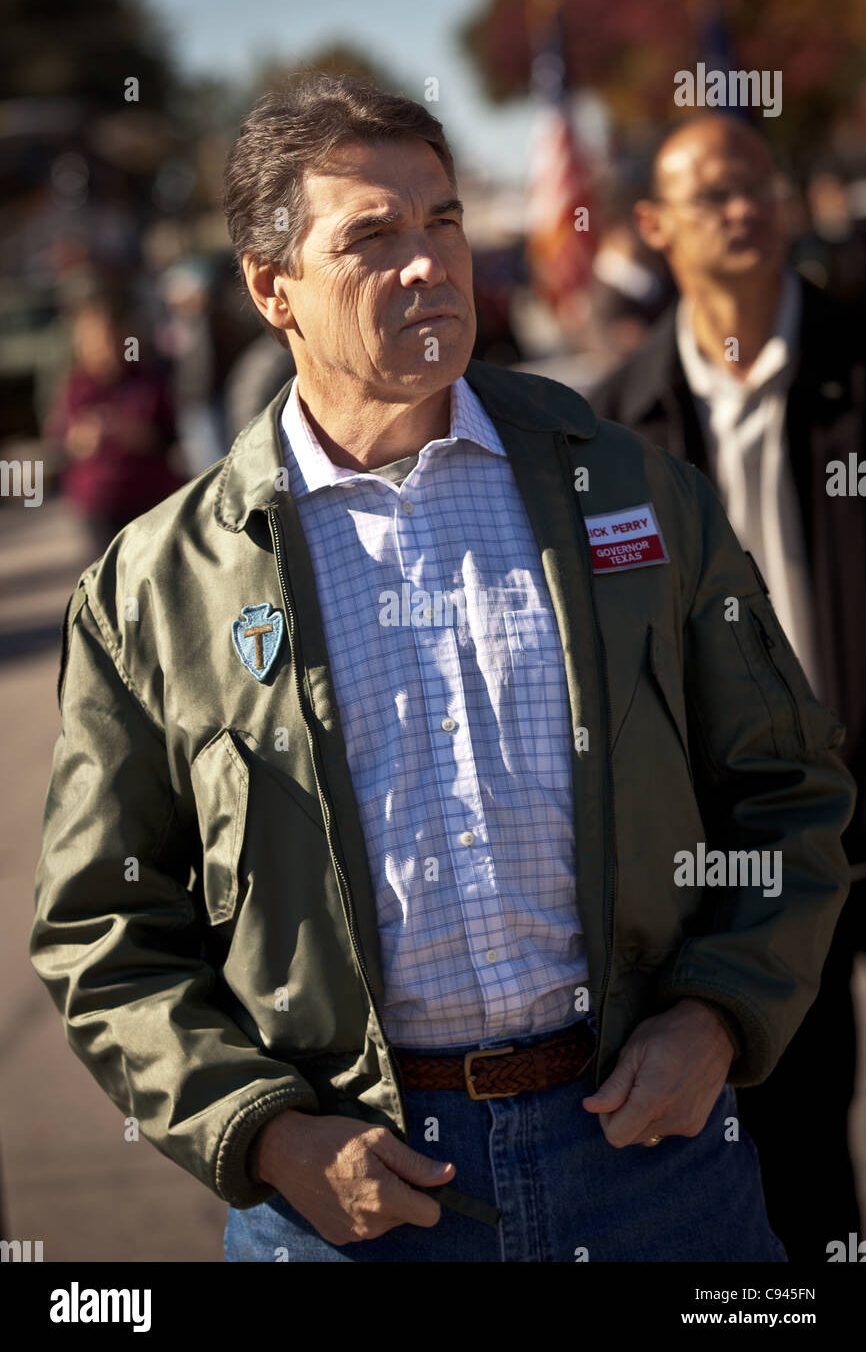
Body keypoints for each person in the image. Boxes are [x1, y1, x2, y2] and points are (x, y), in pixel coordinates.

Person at [31, 76, 855, 1264]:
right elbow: (102, 923)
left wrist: (716, 1015)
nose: (427, 263)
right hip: (346, 1203)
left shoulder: (622, 486)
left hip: (654, 1167)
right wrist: (266, 1137)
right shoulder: (156, 586)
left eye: (444, 221)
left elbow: (788, 786)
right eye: (371, 236)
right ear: (273, 290)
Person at [589, 113, 866, 1260]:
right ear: (653, 229)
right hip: (746, 840)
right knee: (793, 1143)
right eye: (707, 194)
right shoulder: (610, 431)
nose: (739, 208)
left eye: (755, 182)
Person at [42, 290, 185, 560]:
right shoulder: (77, 387)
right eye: (95, 342)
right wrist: (84, 439)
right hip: (99, 503)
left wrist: (133, 434)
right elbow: (60, 444)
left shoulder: (147, 380)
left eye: (110, 339)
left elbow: (170, 436)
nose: (105, 348)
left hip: (149, 496)